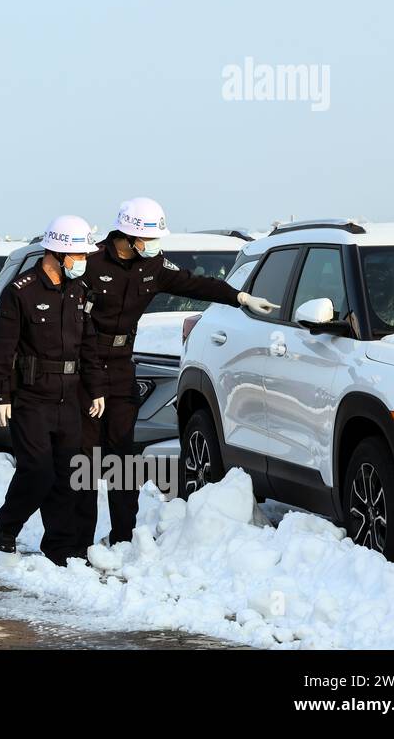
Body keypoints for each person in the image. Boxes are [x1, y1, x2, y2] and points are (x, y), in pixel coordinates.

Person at [75, 197, 279, 550]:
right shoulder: (90, 263)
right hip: (85, 367)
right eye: (150, 238)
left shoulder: (151, 266)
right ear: (130, 235)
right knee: (86, 458)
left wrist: (241, 297)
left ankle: (123, 538)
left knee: (122, 456)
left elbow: (194, 284)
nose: (155, 246)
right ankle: (77, 540)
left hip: (122, 366)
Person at [0, 215, 106, 565]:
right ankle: (7, 527)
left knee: (67, 475)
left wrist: (95, 389)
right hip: (32, 399)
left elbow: (89, 346)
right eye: (79, 255)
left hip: (69, 398)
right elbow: (1, 349)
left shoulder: (79, 292)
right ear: (59, 253)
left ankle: (58, 547)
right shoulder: (21, 291)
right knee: (37, 471)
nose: (83, 261)